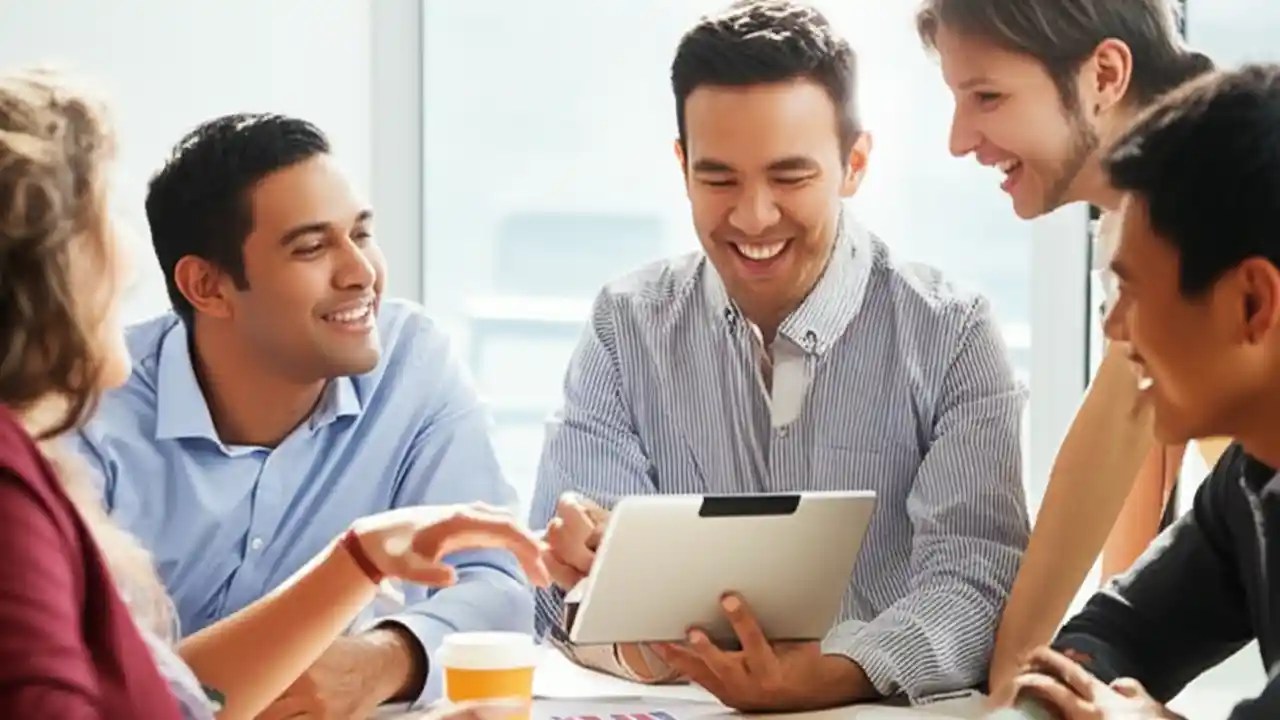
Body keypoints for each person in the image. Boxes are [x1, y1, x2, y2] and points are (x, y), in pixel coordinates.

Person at [0, 67, 548, 720]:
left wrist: (386, 655)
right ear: (207, 286)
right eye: (312, 247)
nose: (361, 272)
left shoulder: (412, 359)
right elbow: (135, 689)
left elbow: (500, 583)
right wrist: (357, 568)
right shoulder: (55, 445)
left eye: (362, 234)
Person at [530, 0, 1030, 711]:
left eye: (789, 177)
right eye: (719, 178)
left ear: (853, 163)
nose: (753, 217)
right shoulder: (624, 326)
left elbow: (977, 582)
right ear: (682, 165)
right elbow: (561, 610)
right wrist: (586, 575)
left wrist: (829, 674)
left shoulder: (951, 333)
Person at [915, 0, 1216, 691]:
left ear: (1104, 74)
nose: (961, 139)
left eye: (986, 96)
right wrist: (1012, 690)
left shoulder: (1228, 208)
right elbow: (1120, 438)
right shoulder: (1144, 220)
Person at [997, 63, 1280, 720]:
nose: (1113, 326)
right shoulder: (1251, 479)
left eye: (1133, 290)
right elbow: (1115, 632)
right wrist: (1060, 700)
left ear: (1251, 302)